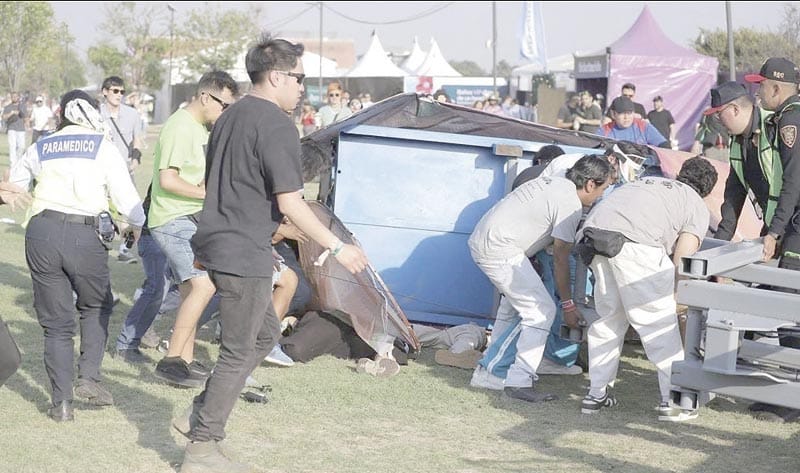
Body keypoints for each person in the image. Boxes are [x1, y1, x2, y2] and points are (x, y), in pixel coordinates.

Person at [172, 34, 368, 472]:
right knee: (240, 350)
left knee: (263, 337)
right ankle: (201, 448)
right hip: (241, 249)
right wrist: (338, 246)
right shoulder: (277, 123)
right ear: (276, 75)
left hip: (222, 241)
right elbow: (291, 201)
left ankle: (198, 416)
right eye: (299, 79)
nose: (303, 89)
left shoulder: (229, 115)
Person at [5, 89, 145, 422]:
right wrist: (137, 226)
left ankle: (61, 405)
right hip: (85, 235)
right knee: (96, 305)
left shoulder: (42, 145)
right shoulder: (103, 147)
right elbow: (128, 202)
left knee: (56, 325)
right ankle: (90, 378)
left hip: (41, 233)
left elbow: (14, 185)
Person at [576, 157, 718, 422]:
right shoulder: (695, 204)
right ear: (708, 191)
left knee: (608, 323)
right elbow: (684, 260)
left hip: (595, 239)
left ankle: (596, 394)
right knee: (659, 327)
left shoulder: (646, 182)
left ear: (679, 174)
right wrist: (678, 298)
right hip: (636, 246)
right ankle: (676, 402)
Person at [467, 156, 612, 402]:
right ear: (590, 184)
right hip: (500, 248)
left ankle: (489, 372)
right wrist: (567, 305)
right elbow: (560, 258)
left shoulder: (556, 183)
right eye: (603, 189)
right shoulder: (570, 204)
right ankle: (512, 377)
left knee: (512, 310)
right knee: (541, 311)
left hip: (491, 241)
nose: (600, 197)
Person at [148, 71, 239, 389]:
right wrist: (209, 194)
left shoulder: (200, 128)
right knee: (204, 287)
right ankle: (170, 362)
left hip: (190, 218)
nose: (225, 112)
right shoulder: (179, 126)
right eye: (224, 105)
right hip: (172, 219)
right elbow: (167, 180)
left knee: (191, 288)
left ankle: (184, 360)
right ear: (205, 97)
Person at [742, 57, 800, 422]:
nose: (757, 91)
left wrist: (775, 230)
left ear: (776, 87)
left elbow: (793, 180)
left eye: (760, 85)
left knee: (787, 305)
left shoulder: (790, 120)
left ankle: (790, 397)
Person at [99, 76, 145, 264]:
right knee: (103, 211)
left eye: (122, 92)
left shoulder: (132, 114)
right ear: (105, 92)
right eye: (115, 91)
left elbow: (138, 140)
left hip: (125, 171)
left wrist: (136, 159)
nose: (119, 95)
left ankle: (125, 249)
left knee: (133, 211)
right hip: (101, 171)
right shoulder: (96, 113)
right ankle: (101, 247)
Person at [597, 96, 668, 147]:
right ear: (613, 114)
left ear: (634, 113)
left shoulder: (643, 126)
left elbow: (664, 146)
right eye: (621, 113)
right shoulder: (604, 130)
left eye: (629, 113)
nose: (626, 117)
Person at [2, 92, 28, 171]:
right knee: (12, 147)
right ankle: (13, 164)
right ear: (11, 98)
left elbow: (25, 116)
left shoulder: (22, 106)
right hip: (11, 129)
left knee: (21, 147)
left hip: (21, 129)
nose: (14, 98)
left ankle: (18, 162)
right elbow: (3, 117)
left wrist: (26, 123)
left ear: (18, 97)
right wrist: (11, 113)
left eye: (16, 96)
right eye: (12, 97)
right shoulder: (8, 107)